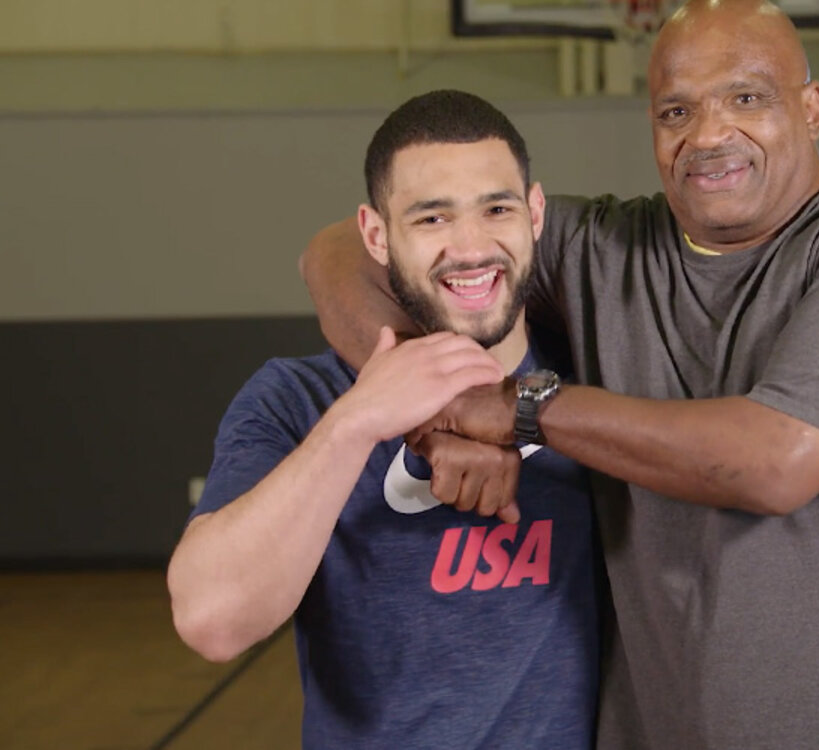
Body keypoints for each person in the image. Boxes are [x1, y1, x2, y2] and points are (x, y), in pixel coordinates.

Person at [302, 2, 819, 747]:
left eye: (747, 98)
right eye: (676, 110)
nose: (709, 135)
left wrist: (521, 408)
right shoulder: (604, 250)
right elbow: (339, 253)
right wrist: (438, 414)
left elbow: (776, 463)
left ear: (811, 109)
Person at [167, 90, 601, 749]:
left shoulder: (594, 381)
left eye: (497, 209)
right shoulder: (299, 399)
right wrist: (359, 420)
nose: (471, 246)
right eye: (432, 219)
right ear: (375, 234)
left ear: (535, 213)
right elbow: (213, 621)